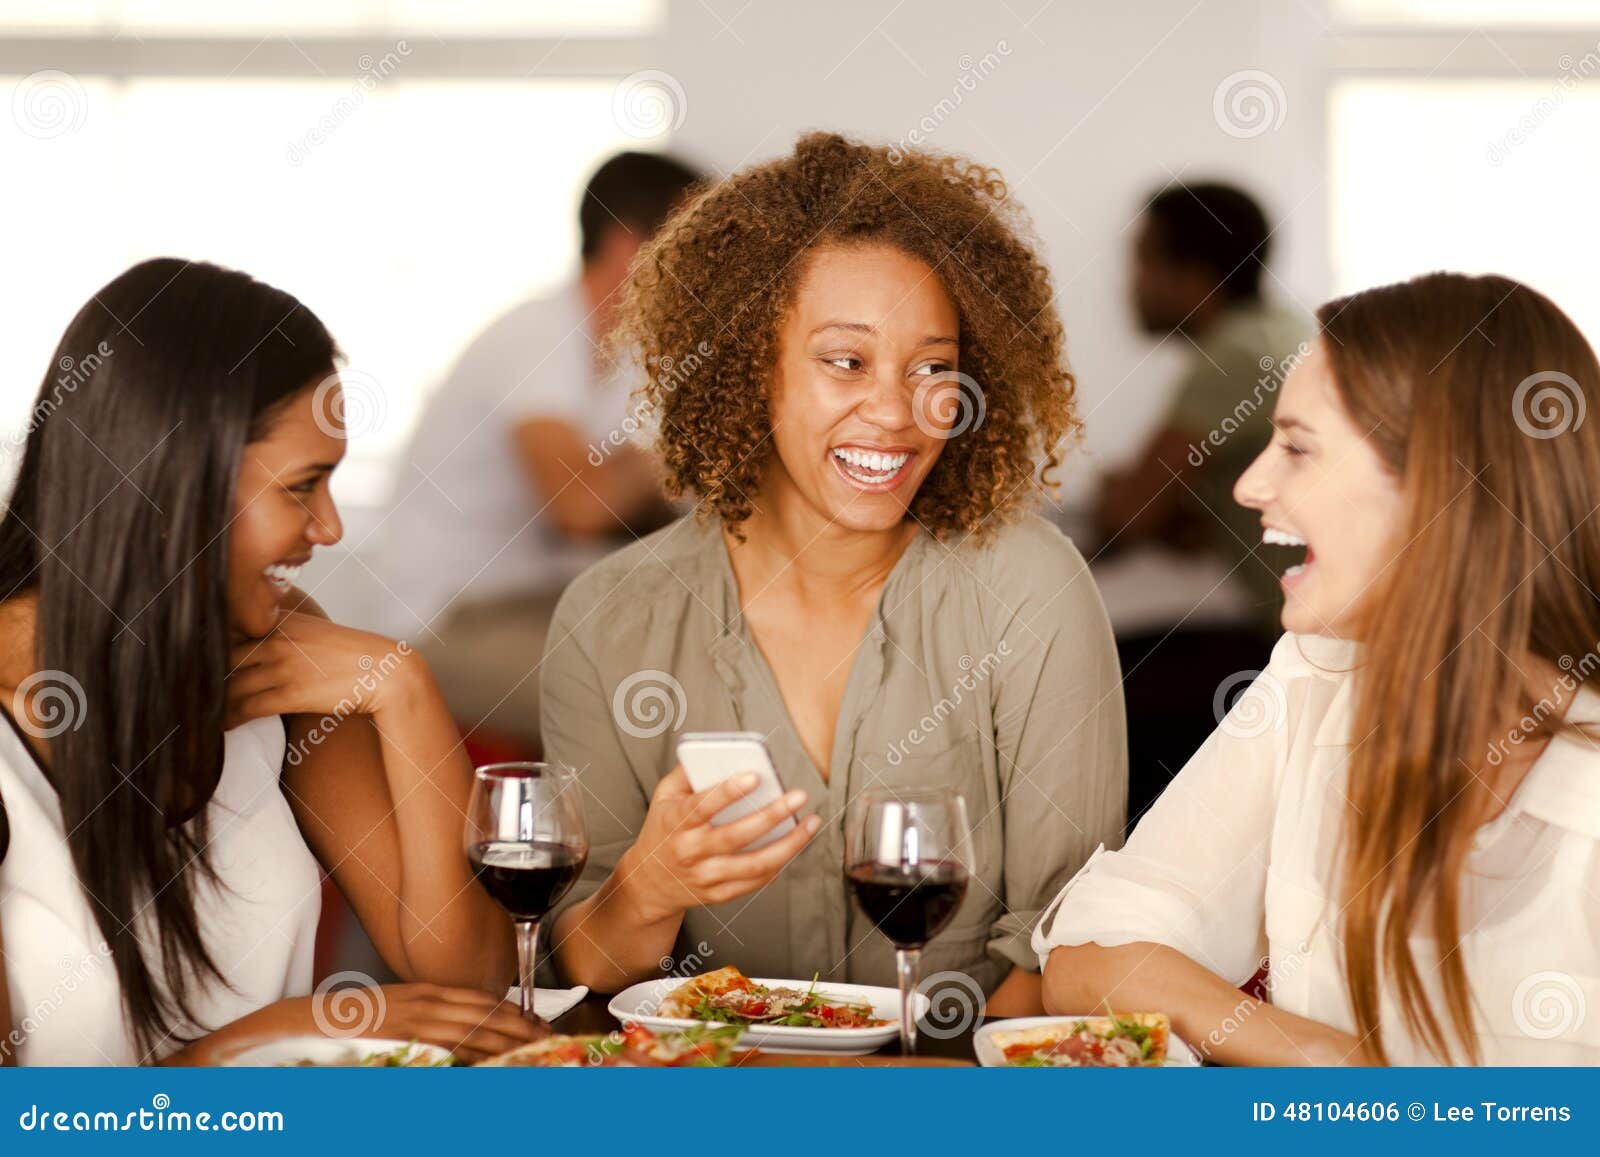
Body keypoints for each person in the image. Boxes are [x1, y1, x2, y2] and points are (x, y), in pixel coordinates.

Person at [538, 133, 1126, 1018]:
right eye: (845, 361)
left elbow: (1066, 940)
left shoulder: (1028, 590)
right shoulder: (611, 617)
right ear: (749, 364)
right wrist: (646, 888)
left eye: (932, 366)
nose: (896, 411)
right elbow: (585, 969)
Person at [1037, 272, 1600, 1065]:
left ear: (1444, 486)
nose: (1249, 483)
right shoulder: (1316, 678)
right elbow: (1093, 949)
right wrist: (1335, 1064)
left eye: (1299, 447)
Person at [0, 259, 548, 1065]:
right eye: (302, 486)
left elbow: (469, 978)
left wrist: (404, 687)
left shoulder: (283, 658)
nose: (328, 528)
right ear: (170, 486)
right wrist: (276, 1030)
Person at [381, 151, 703, 752]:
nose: (710, 268)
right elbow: (580, 507)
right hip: (451, 622)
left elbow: (637, 508)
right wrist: (685, 449)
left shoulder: (629, 353)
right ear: (626, 246)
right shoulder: (536, 335)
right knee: (648, 697)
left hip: (543, 602)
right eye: (695, 245)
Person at [1094, 182, 1314, 831]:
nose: (1129, 282)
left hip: (1291, 642)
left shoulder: (1230, 357)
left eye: (1142, 260)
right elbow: (1188, 506)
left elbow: (1132, 511)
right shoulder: (1285, 330)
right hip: (1304, 627)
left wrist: (1128, 491)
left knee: (1089, 694)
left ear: (1192, 272)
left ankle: (1117, 878)